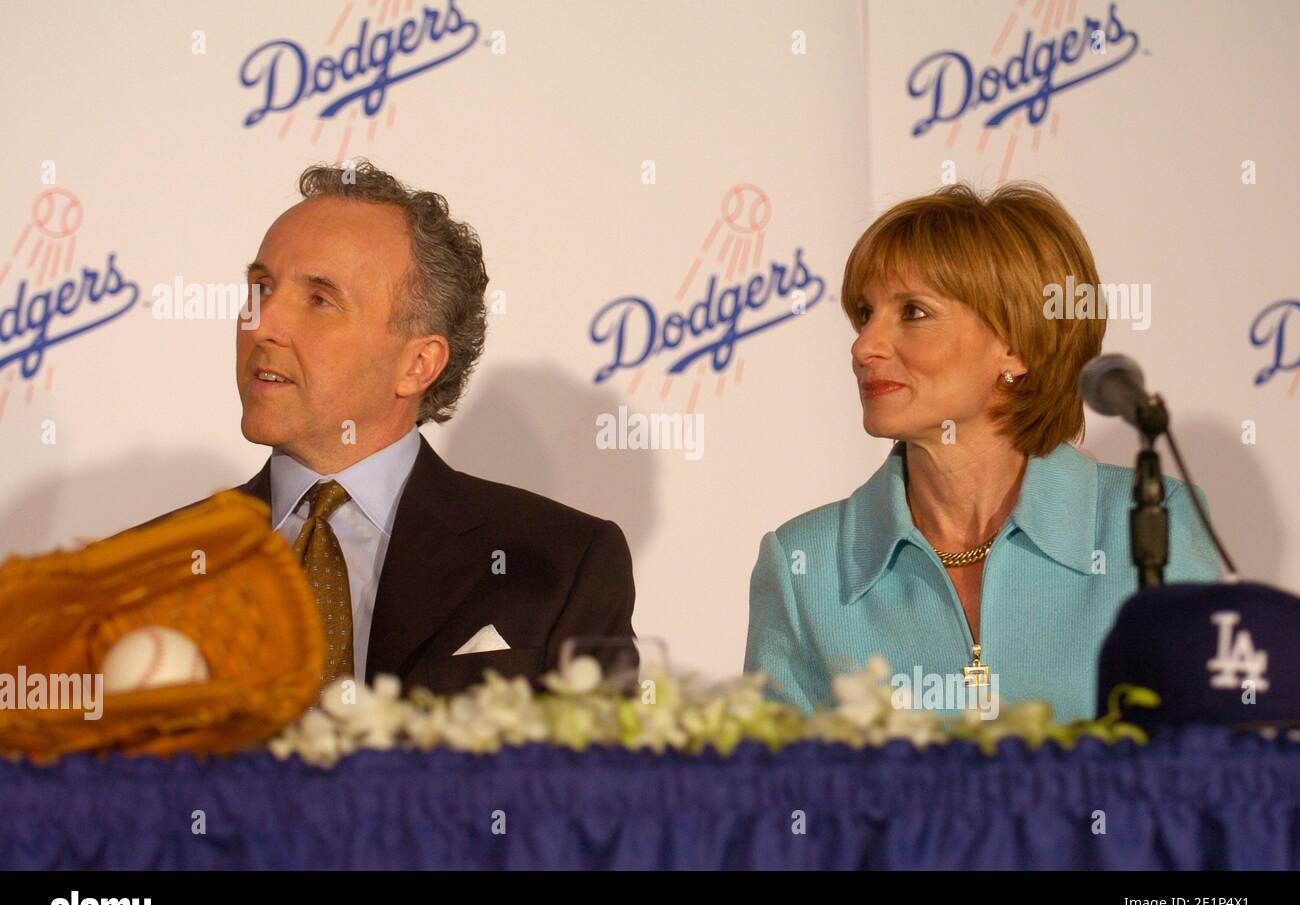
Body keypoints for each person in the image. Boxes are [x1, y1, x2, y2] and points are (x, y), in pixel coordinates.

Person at [138, 161, 637, 694]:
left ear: (417, 364)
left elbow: (598, 776)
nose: (261, 324)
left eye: (320, 300)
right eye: (261, 288)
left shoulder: (563, 562)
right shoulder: (143, 573)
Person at [744, 182, 1219, 721]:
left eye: (914, 313)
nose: (863, 346)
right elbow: (773, 794)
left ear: (1015, 345)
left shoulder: (1152, 525)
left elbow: (1223, 775)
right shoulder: (806, 564)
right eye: (864, 312)